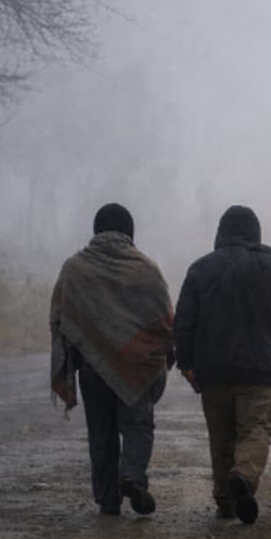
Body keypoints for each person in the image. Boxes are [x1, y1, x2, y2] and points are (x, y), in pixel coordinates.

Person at [173, 205, 271, 524]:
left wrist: (187, 363)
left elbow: (184, 322)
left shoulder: (200, 269)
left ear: (220, 233)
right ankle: (244, 475)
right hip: (260, 368)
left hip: (213, 370)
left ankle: (226, 501)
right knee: (255, 429)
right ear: (256, 233)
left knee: (220, 435)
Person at [50, 203, 173, 516]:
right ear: (129, 231)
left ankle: (108, 499)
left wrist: (69, 361)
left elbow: (60, 316)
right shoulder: (146, 268)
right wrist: (168, 353)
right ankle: (132, 476)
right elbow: (163, 319)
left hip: (94, 366)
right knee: (137, 425)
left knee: (101, 432)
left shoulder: (74, 268)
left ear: (96, 230)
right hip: (138, 365)